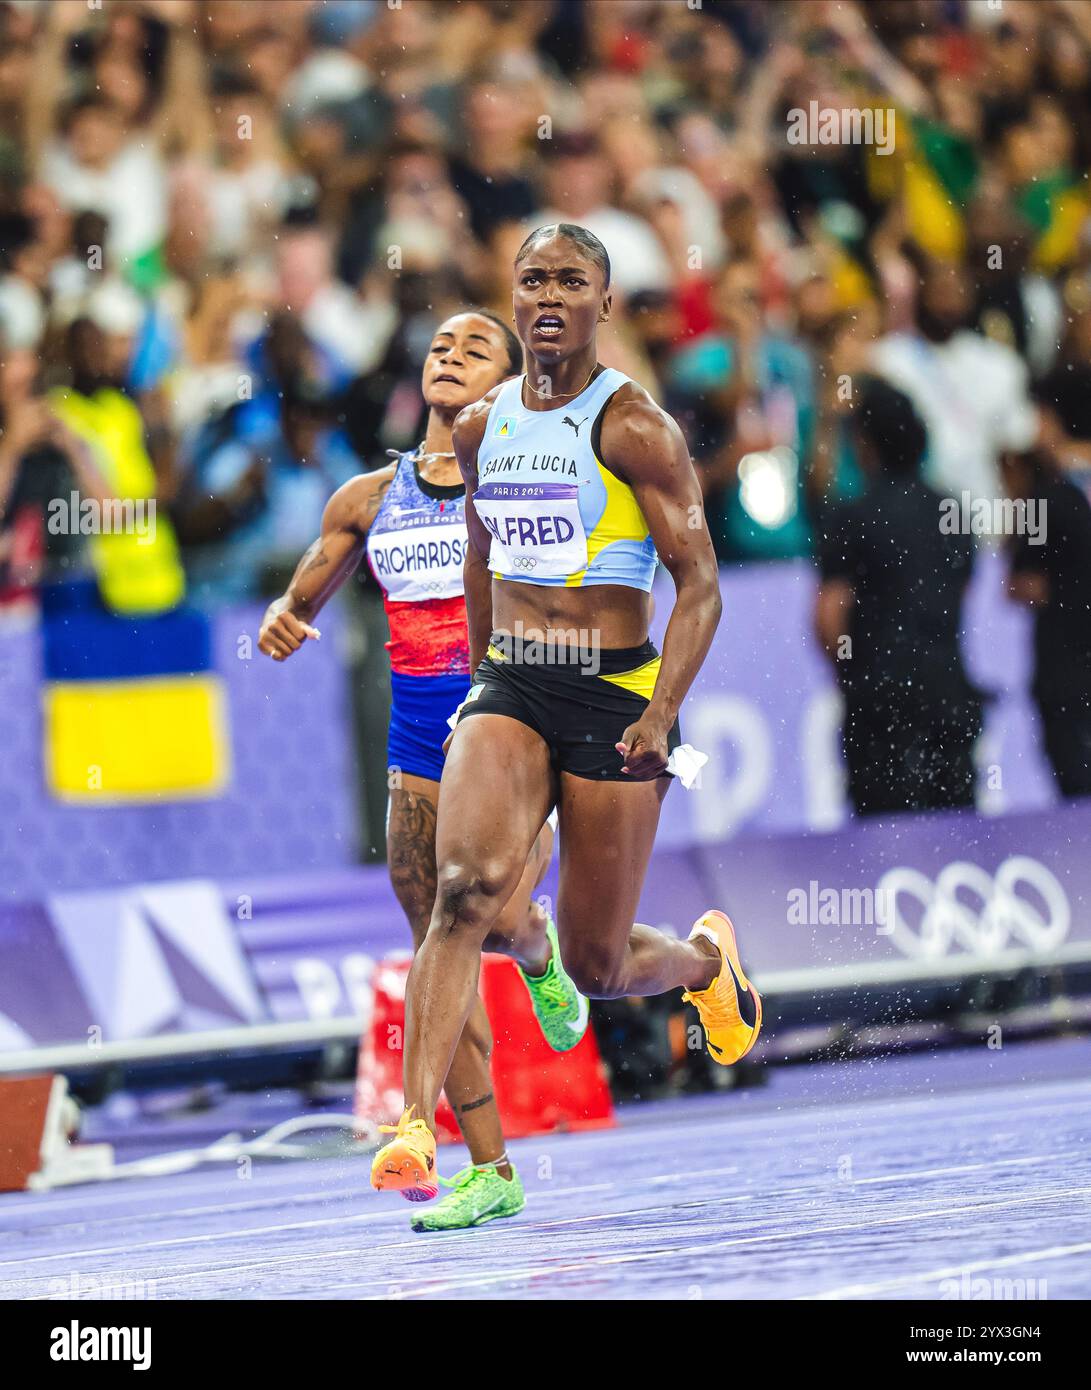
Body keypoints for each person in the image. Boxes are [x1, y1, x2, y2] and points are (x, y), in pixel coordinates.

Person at [369, 224, 762, 1203]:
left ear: (603, 302)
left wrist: (662, 715)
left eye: (568, 281)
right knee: (457, 893)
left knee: (593, 961)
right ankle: (414, 1128)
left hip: (614, 692)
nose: (546, 296)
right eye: (531, 279)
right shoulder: (479, 426)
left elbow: (699, 586)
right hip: (512, 682)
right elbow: (477, 556)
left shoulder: (635, 428)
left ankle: (707, 959)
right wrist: (477, 674)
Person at [258, 308, 586, 1232]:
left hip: (504, 725)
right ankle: (481, 1164)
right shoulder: (368, 497)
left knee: (493, 918)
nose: (449, 355)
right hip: (414, 744)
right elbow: (306, 583)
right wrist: (285, 613)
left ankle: (537, 948)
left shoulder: (523, 482)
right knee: (443, 947)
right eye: (439, 344)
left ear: (506, 385)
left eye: (475, 348)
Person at [814, 376, 983, 816]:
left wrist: (851, 674)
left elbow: (829, 616)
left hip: (880, 699)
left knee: (883, 834)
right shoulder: (951, 511)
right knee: (956, 822)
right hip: (948, 691)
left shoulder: (854, 515)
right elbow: (960, 594)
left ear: (867, 444)